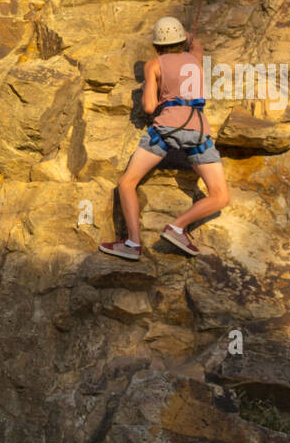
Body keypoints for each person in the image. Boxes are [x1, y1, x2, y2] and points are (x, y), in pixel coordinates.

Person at [99, 16, 230, 260]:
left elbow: (149, 107)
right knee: (220, 196)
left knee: (127, 183)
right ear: (182, 41)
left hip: (167, 128)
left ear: (156, 45)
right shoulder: (196, 57)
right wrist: (186, 39)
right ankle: (177, 227)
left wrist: (160, 94)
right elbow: (196, 44)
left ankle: (132, 244)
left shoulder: (154, 64)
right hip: (199, 130)